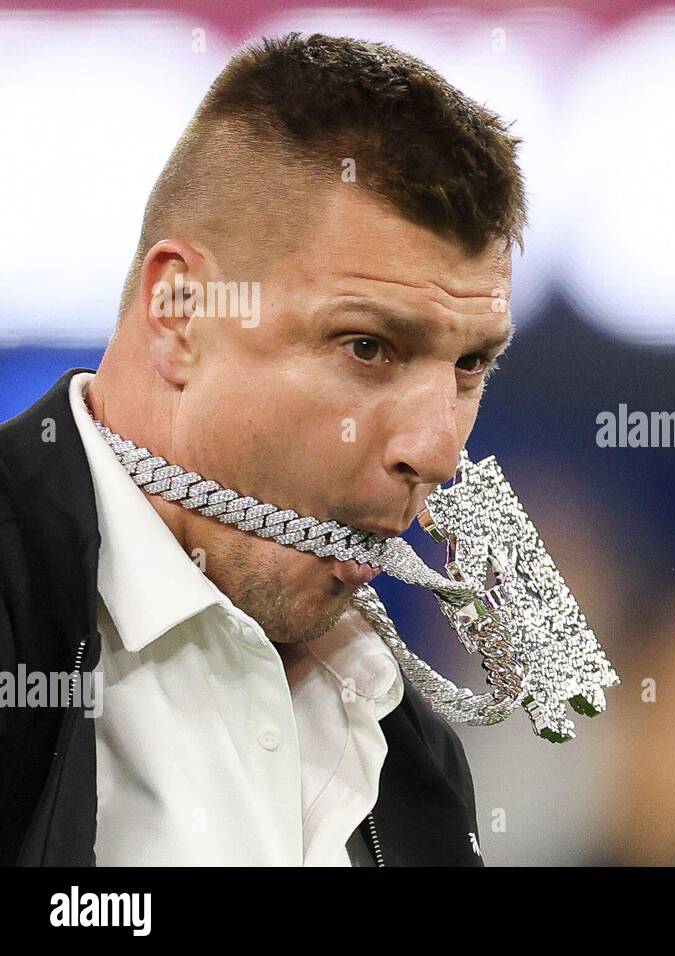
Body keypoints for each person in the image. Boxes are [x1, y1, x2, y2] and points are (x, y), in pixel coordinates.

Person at [0, 32, 527, 866]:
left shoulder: (412, 749)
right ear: (179, 312)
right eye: (367, 347)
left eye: (470, 365)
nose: (435, 452)